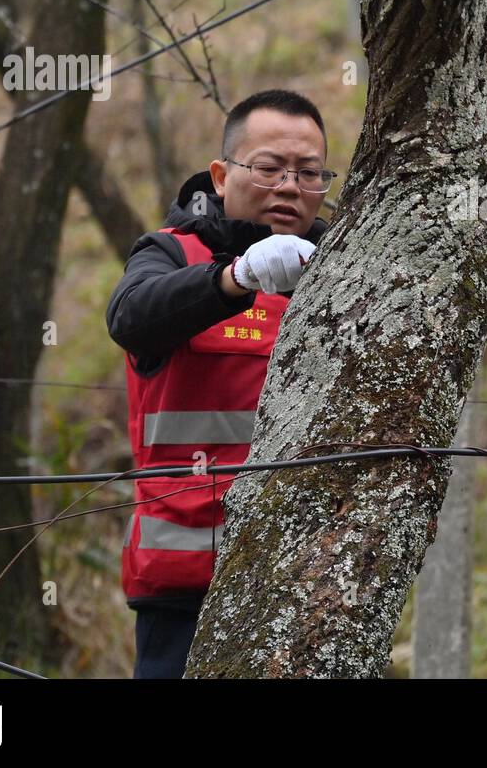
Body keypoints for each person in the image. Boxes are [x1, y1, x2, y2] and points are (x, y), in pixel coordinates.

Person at [106, 89, 337, 678]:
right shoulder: (169, 253)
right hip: (185, 592)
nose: (289, 187)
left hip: (309, 583)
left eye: (309, 173)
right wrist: (234, 278)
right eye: (269, 168)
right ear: (221, 174)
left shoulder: (341, 270)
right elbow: (130, 317)